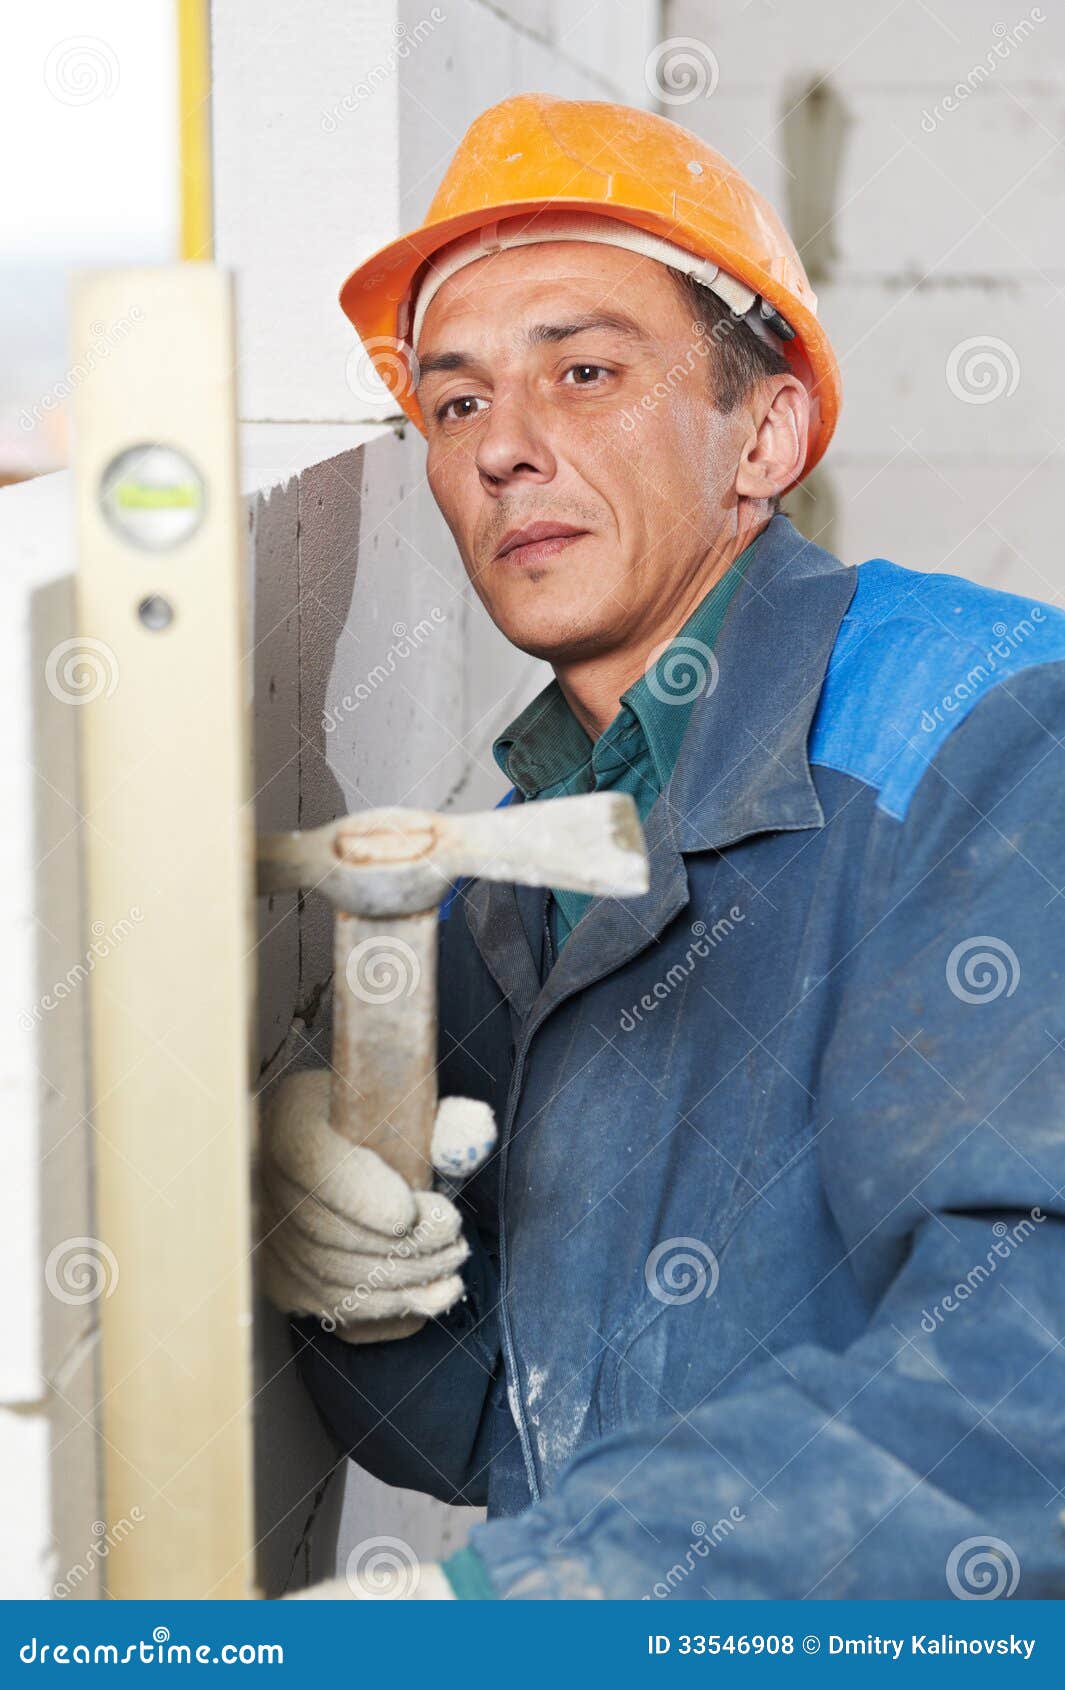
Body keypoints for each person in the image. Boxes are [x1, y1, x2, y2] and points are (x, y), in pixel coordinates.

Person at [259, 94, 1065, 1601]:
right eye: (454, 402)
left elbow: (1031, 1399)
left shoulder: (992, 732)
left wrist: (522, 1602)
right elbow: (516, 1425)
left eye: (583, 371)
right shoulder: (522, 853)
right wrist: (355, 1285)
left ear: (762, 432)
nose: (506, 448)